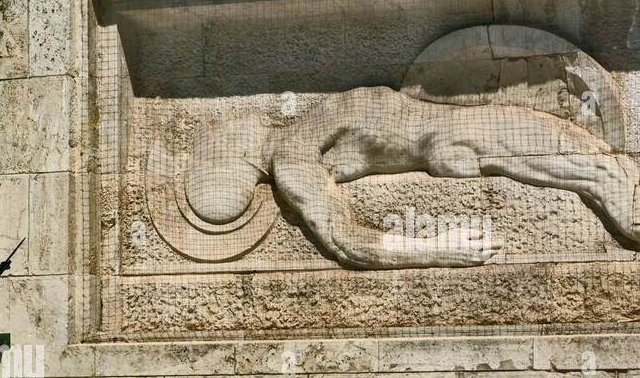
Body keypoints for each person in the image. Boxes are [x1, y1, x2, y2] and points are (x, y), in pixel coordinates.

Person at [185, 86, 640, 268]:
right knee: (604, 179)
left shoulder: (304, 126)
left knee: (600, 168)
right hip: (455, 139)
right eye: (225, 134)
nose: (232, 118)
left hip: (455, 123)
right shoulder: (293, 163)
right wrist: (440, 250)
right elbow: (347, 243)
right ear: (240, 156)